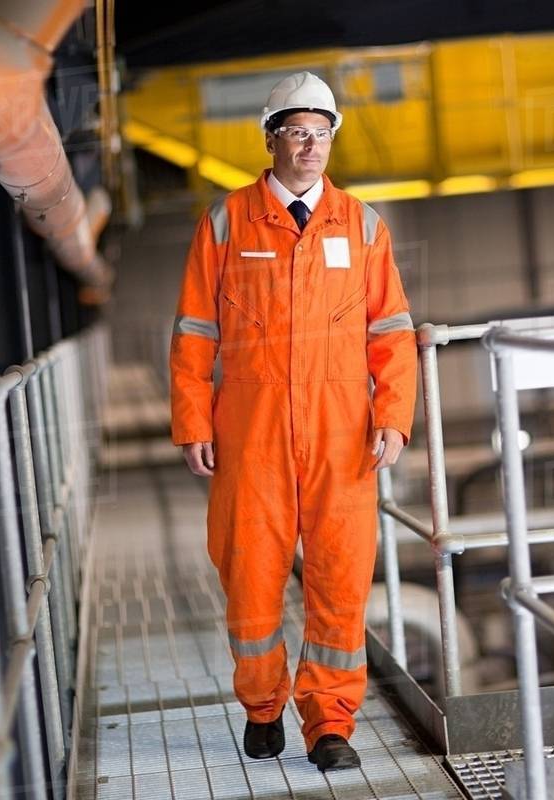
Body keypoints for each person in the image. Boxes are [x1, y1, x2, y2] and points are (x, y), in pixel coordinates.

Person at [169, 71, 417, 771]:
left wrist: (393, 416)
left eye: (323, 133)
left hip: (342, 435)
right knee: (249, 576)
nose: (312, 147)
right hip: (251, 435)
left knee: (340, 580)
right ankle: (263, 706)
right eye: (298, 133)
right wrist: (194, 421)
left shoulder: (363, 225)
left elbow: (392, 333)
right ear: (272, 139)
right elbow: (193, 332)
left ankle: (330, 724)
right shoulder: (226, 223)